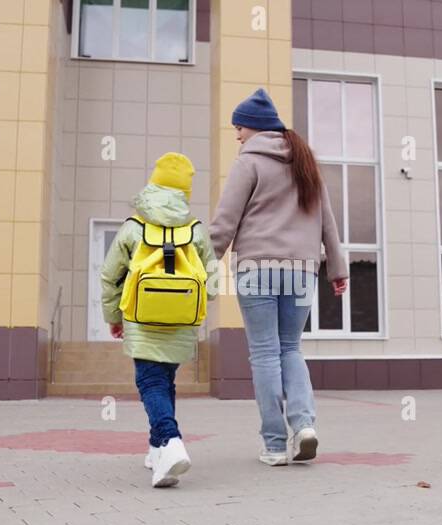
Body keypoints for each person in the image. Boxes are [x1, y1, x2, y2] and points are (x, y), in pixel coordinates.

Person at [209, 88, 349, 466]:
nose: (236, 135)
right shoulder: (305, 162)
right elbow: (327, 221)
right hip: (302, 270)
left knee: (266, 354)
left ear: (253, 127)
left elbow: (224, 223)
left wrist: (204, 267)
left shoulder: (248, 163)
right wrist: (337, 268)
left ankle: (274, 444)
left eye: (238, 128)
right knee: (290, 349)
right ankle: (304, 426)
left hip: (257, 268)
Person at [101, 153, 217, 487]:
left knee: (150, 382)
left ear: (153, 184)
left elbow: (109, 278)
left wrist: (113, 316)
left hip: (141, 319)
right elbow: (213, 284)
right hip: (182, 321)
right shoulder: (196, 230)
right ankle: (156, 450)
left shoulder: (133, 227)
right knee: (164, 381)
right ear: (185, 192)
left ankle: (170, 441)